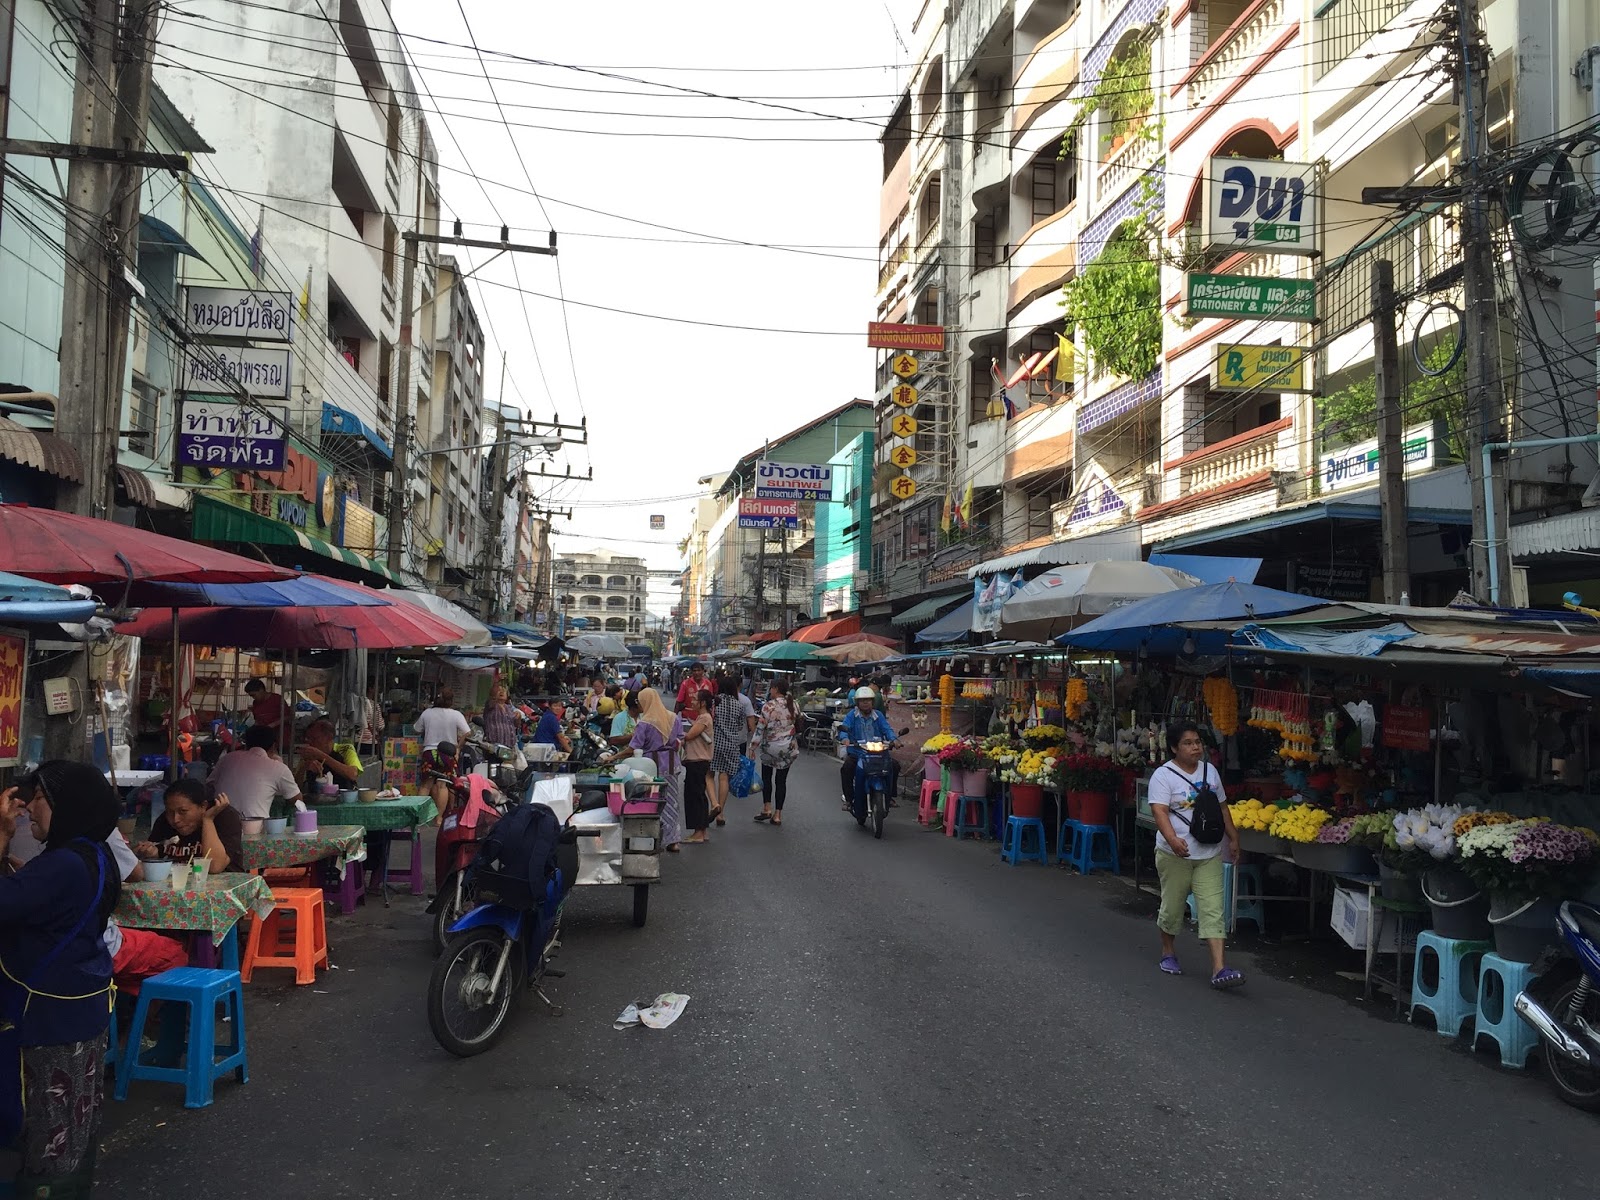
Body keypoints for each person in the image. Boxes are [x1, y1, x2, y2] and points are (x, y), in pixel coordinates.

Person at [0, 762, 121, 1195]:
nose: (29, 808)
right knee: (69, 1124)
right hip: (79, 1012)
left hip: (47, 1020)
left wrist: (0, 835)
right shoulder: (96, 853)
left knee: (45, 1128)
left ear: (65, 806)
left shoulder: (65, 864)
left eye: (39, 799)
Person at [1149, 720, 1243, 989]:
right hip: (1174, 854)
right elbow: (1159, 811)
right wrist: (1172, 839)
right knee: (1173, 907)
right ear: (1174, 748)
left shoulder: (1210, 771)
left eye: (1197, 742)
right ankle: (1168, 952)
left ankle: (1219, 968)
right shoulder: (1163, 776)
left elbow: (1222, 807)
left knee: (1214, 909)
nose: (1195, 748)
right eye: (1188, 743)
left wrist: (1233, 838)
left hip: (1208, 853)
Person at [138, 778, 244, 873]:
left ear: (203, 806)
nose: (175, 819)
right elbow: (154, 853)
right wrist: (152, 853)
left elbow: (214, 867)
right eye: (170, 812)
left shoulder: (224, 816)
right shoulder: (164, 820)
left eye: (183, 811)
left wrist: (207, 820)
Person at [209, 722, 302, 821]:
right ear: (274, 746)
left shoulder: (228, 758)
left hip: (218, 825)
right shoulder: (278, 767)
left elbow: (209, 785)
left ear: (246, 743)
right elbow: (298, 801)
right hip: (253, 827)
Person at [629, 689, 683, 852]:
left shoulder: (645, 723)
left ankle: (652, 838)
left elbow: (634, 746)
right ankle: (673, 841)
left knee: (650, 801)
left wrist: (613, 757)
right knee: (671, 802)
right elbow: (680, 738)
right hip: (672, 764)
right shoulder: (673, 718)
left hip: (650, 766)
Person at [838, 686, 899, 819]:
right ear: (857, 702)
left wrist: (894, 740)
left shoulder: (879, 716)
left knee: (894, 765)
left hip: (878, 753)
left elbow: (887, 729)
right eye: (862, 700)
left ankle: (890, 797)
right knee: (847, 768)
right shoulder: (852, 716)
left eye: (868, 700)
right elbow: (844, 728)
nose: (866, 703)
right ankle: (848, 800)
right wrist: (845, 738)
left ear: (873, 702)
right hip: (858, 753)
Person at [754, 680, 799, 827]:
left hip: (770, 747)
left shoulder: (769, 706)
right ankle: (778, 814)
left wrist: (752, 746)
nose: (770, 691)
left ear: (775, 689)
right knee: (781, 781)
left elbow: (760, 728)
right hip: (788, 748)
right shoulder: (794, 704)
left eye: (771, 688)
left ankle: (767, 807)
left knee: (767, 777)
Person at [708, 674, 746, 827]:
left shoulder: (714, 702)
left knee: (709, 775)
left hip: (714, 743)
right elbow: (739, 726)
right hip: (732, 745)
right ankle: (721, 813)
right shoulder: (739, 705)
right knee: (724, 778)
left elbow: (709, 721)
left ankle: (714, 803)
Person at [680, 688, 714, 844]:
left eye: (696, 700)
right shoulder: (703, 717)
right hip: (699, 761)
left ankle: (698, 832)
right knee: (700, 796)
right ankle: (702, 830)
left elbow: (689, 735)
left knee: (695, 797)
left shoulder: (704, 718)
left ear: (703, 703)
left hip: (697, 761)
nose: (692, 702)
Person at [295, 717, 363, 793]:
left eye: (314, 738)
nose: (310, 742)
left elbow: (352, 774)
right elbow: (295, 787)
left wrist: (321, 755)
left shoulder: (345, 749)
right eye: (308, 739)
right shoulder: (309, 754)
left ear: (329, 737)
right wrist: (304, 767)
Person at [414, 689, 471, 758]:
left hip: (429, 752)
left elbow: (416, 730)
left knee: (428, 768)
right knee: (449, 769)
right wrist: (458, 748)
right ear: (451, 701)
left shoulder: (427, 712)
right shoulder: (456, 714)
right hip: (449, 753)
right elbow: (468, 733)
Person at [481, 683, 520, 748]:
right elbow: (492, 698)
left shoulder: (509, 708)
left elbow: (516, 724)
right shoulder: (491, 705)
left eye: (503, 690)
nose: (501, 692)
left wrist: (518, 717)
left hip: (509, 746)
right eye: (499, 690)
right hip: (494, 746)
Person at [357, 684, 385, 758]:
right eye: (376, 687)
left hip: (358, 739)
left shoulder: (359, 703)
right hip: (371, 740)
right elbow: (380, 726)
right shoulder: (375, 705)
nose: (378, 689)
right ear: (370, 688)